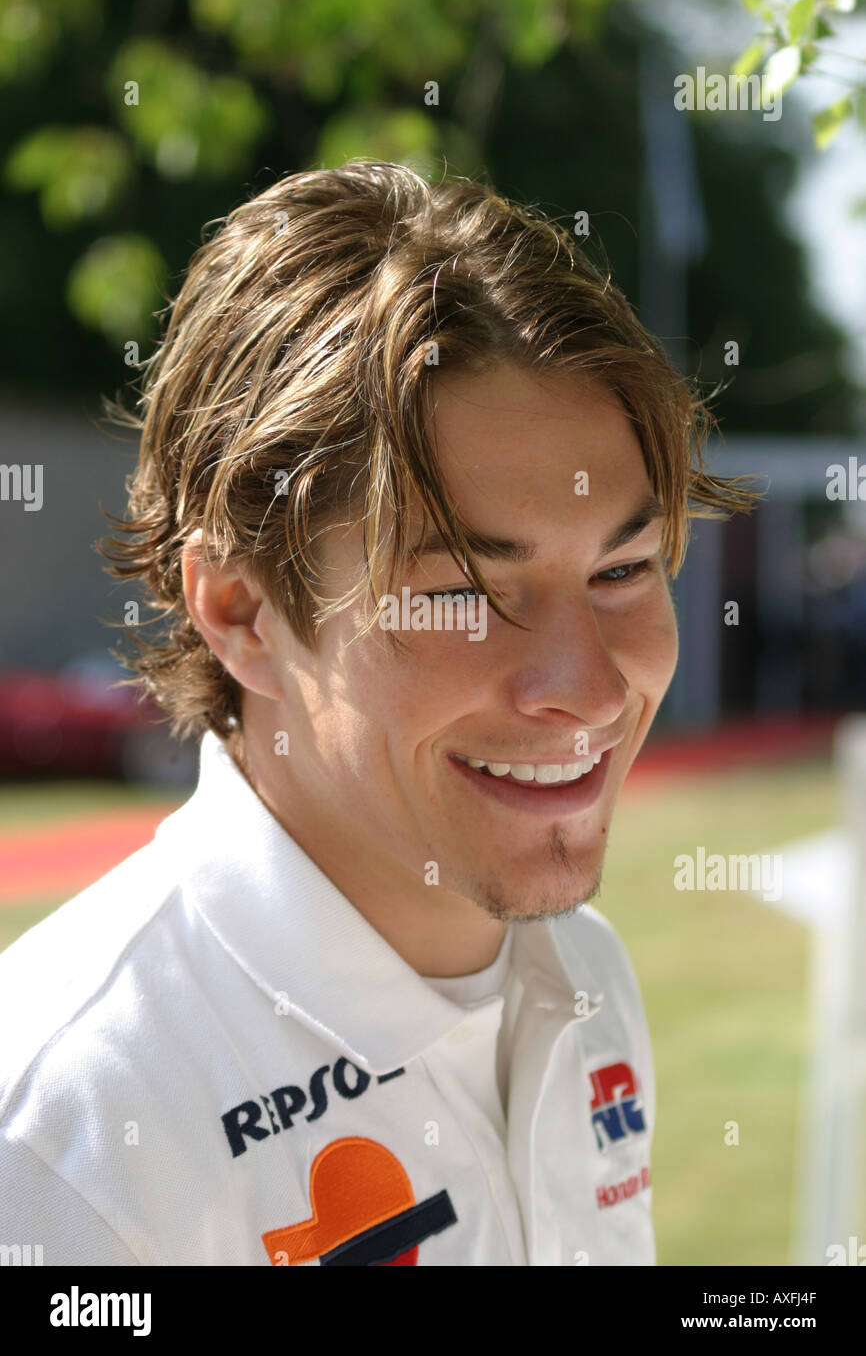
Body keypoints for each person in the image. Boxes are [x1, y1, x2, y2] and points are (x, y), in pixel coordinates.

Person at [0, 161, 759, 1266]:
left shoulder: (581, 974)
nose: (588, 687)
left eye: (623, 567)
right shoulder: (61, 1136)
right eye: (460, 591)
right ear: (241, 609)